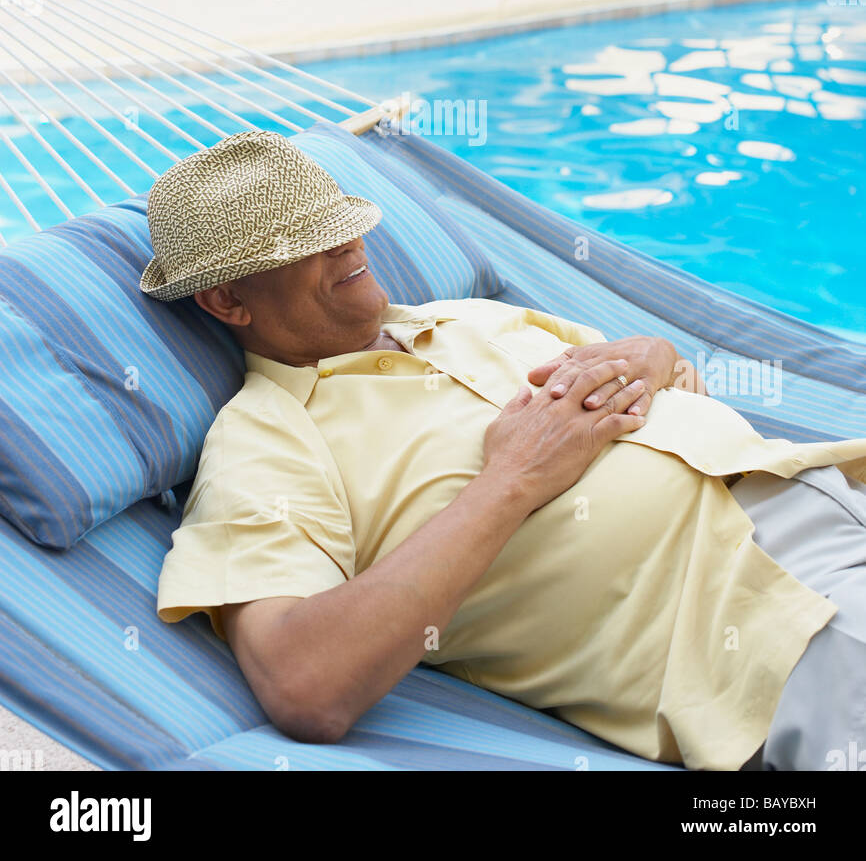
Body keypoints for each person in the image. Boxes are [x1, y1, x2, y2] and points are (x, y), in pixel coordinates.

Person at [146, 131, 866, 771]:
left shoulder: (468, 317)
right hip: (773, 624)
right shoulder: (266, 439)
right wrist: (515, 479)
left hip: (832, 494)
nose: (347, 244)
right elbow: (304, 683)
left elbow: (666, 381)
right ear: (228, 303)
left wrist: (655, 353)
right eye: (303, 241)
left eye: (340, 221)